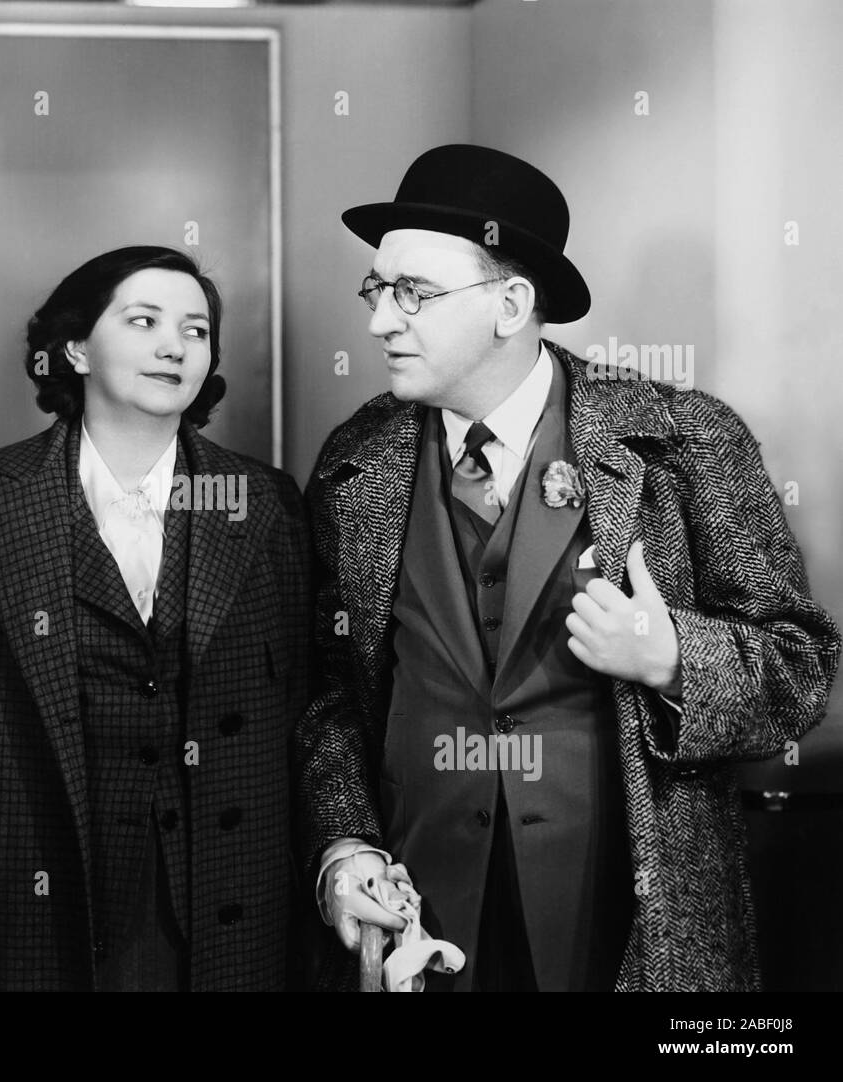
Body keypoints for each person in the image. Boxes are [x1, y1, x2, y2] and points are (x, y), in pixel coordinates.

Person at [297, 143, 840, 991]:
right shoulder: (353, 462)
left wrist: (669, 658)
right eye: (377, 289)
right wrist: (345, 843)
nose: (379, 321)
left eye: (415, 293)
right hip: (422, 917)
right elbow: (331, 689)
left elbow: (800, 671)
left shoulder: (684, 440)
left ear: (512, 303)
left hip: (629, 926)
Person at [0, 246, 310, 991]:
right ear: (76, 348)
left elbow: (304, 718)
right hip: (48, 911)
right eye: (143, 321)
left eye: (196, 329)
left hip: (233, 916)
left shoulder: (263, 502)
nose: (175, 345)